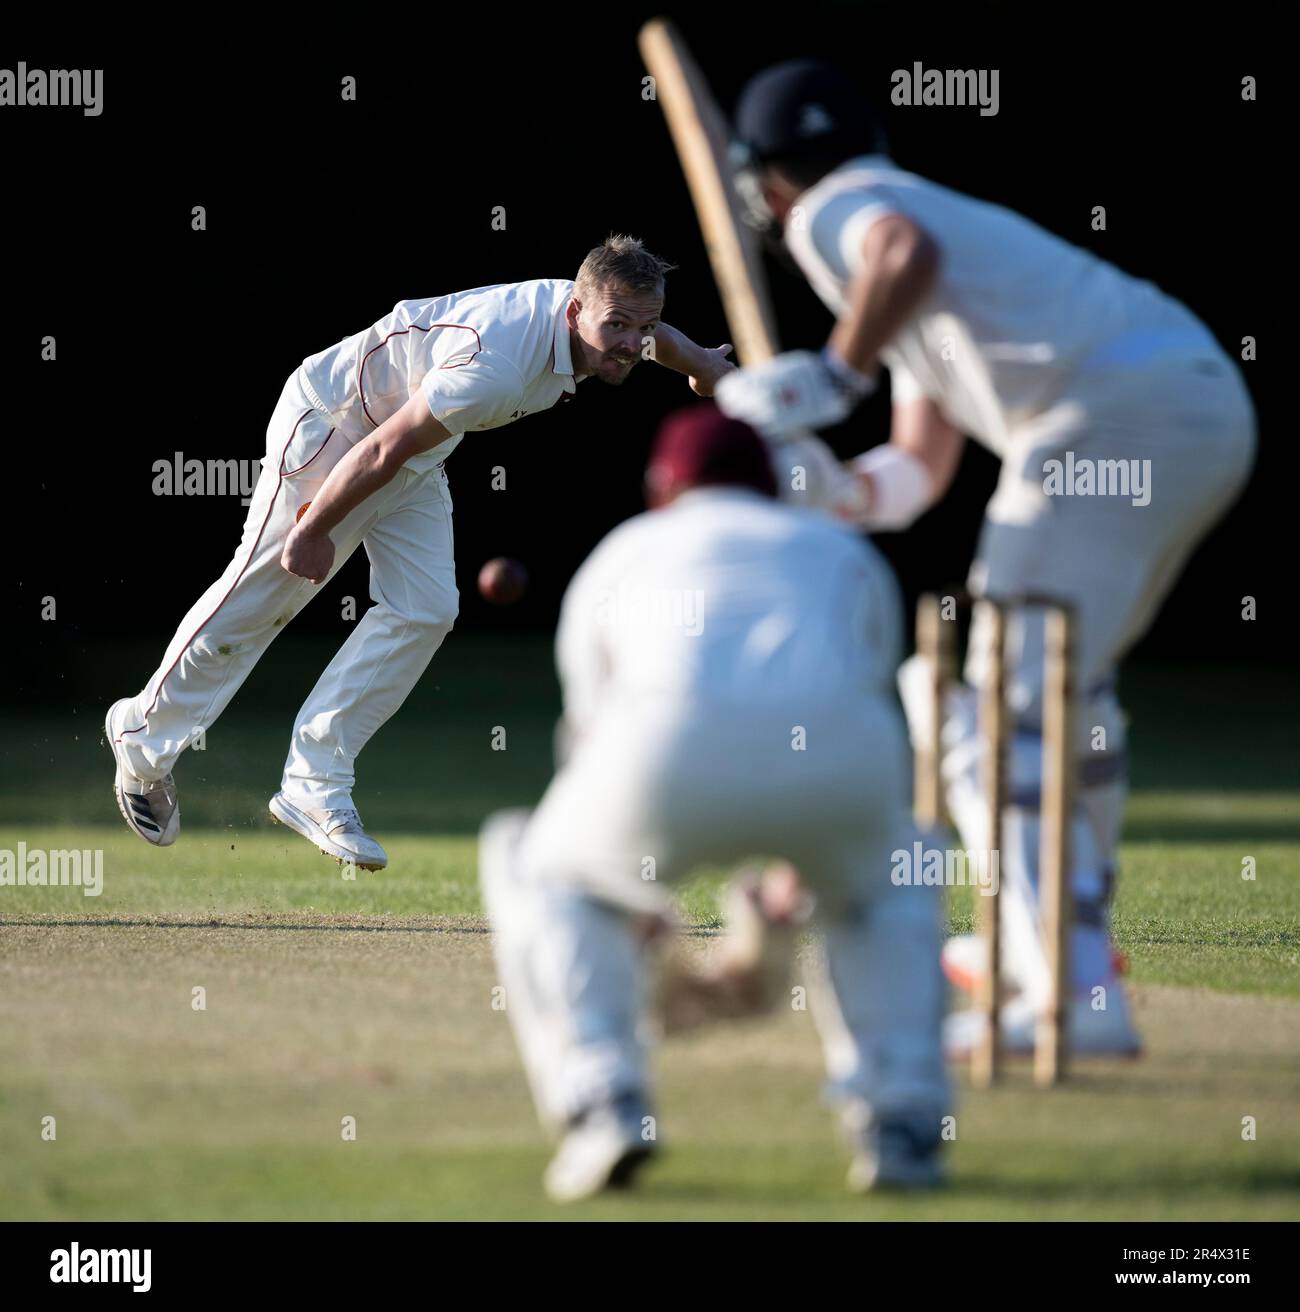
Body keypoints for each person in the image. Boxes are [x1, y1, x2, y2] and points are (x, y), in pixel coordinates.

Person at [715, 61, 1256, 1055]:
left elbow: (898, 250)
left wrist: (832, 377)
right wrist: (827, 486)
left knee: (978, 694)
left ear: (764, 180)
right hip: (1194, 406)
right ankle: (1048, 955)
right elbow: (919, 467)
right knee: (1060, 690)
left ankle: (1075, 987)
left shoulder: (840, 212)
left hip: (1110, 416)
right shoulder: (915, 236)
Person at [104, 236, 734, 869]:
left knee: (426, 608)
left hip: (412, 449)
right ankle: (141, 739)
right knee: (263, 597)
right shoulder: (496, 369)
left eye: (642, 325)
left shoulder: (609, 320)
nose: (631, 341)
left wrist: (704, 364)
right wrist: (313, 527)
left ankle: (314, 780)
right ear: (574, 310)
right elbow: (382, 451)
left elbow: (653, 336)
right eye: (616, 325)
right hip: (338, 427)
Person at [480, 404, 949, 1202]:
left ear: (664, 485)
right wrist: (807, 869)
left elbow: (589, 736)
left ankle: (604, 1096)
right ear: (772, 485)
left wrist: (631, 894)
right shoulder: (840, 550)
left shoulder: (623, 552)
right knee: (889, 886)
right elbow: (854, 697)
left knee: (533, 862)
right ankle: (901, 1117)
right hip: (842, 769)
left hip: (656, 765)